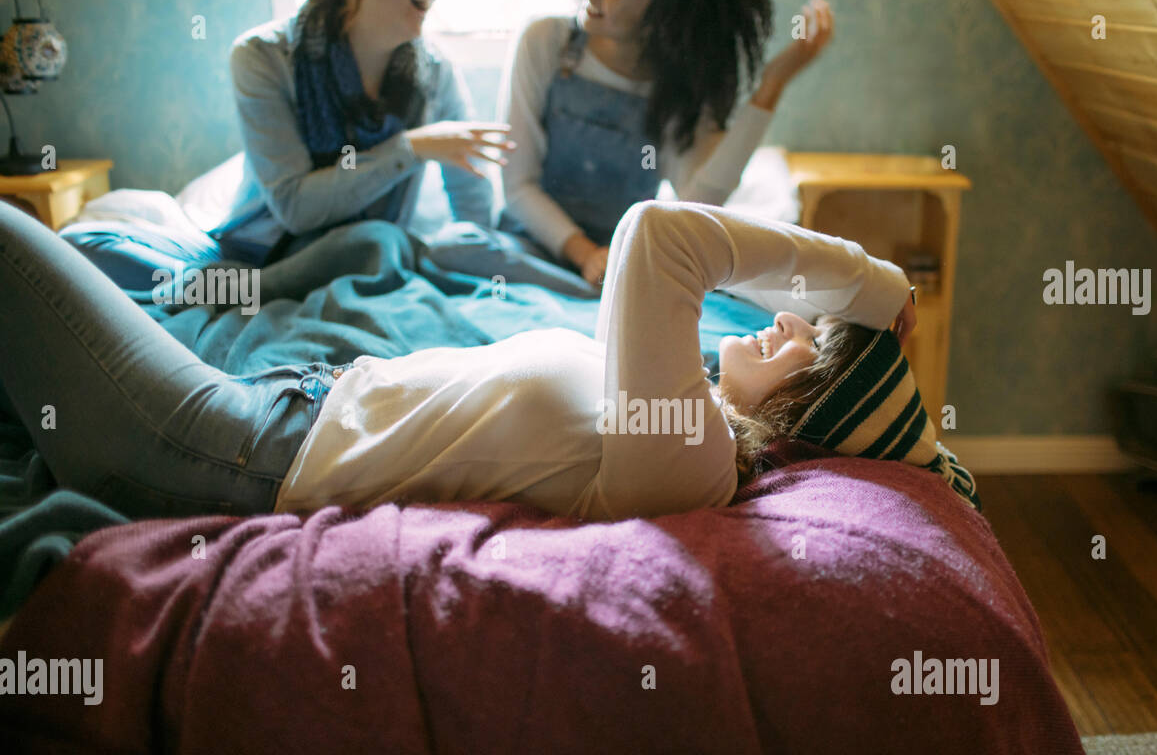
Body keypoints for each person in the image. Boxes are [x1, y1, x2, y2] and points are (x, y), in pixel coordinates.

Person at [0, 197, 980, 525]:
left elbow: (659, 235)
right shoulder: (679, 421)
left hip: (218, 449)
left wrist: (872, 285)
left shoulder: (691, 458)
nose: (792, 326)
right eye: (812, 319)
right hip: (267, 414)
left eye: (812, 350)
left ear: (802, 410)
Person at [59, 0, 519, 296]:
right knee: (80, 244)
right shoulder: (262, 56)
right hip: (256, 258)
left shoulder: (436, 74)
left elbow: (474, 212)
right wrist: (411, 149)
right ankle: (235, 288)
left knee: (377, 241)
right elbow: (296, 207)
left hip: (368, 256)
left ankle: (227, 293)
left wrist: (474, 260)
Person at [428, 0, 835, 296]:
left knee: (728, 285)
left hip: (621, 263)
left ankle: (598, 297)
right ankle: (599, 300)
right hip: (529, 250)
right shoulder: (547, 40)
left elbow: (698, 203)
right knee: (454, 244)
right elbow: (517, 186)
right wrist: (585, 255)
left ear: (666, 12)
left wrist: (771, 86)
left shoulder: (684, 87)